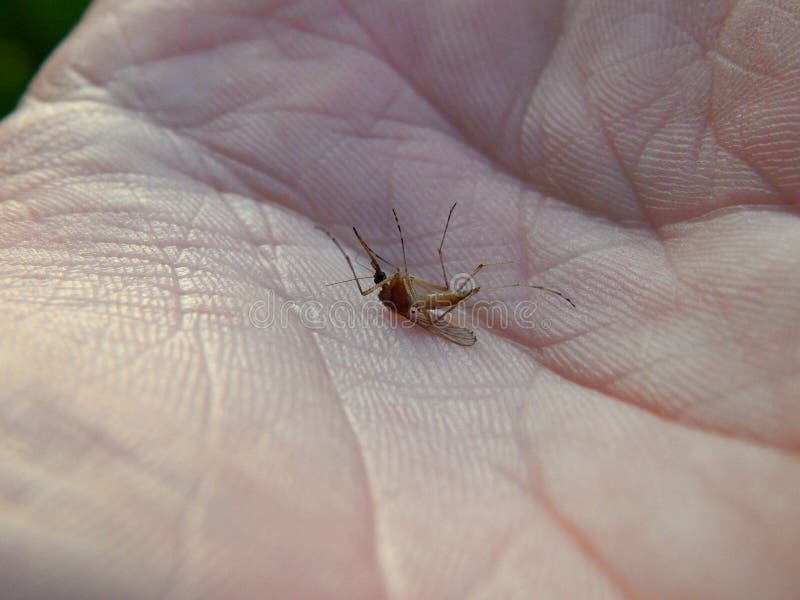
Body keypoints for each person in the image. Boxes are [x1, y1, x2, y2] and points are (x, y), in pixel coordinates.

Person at [1, 1, 798, 597]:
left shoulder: (402, 294)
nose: (381, 286)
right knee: (456, 288)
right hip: (433, 309)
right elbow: (395, 298)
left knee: (459, 285)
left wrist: (401, 291)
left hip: (435, 304)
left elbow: (392, 290)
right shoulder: (402, 300)